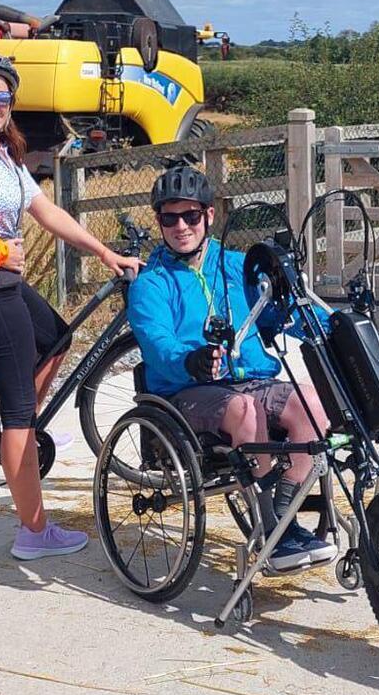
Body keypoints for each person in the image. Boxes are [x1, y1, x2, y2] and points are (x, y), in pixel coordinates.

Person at [0, 53, 142, 560]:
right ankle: (33, 531)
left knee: (56, 338)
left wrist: (104, 252)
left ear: (12, 102)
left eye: (0, 97)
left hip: (5, 283)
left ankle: (20, 428)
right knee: (17, 414)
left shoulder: (4, 155)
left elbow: (47, 212)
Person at [125, 167, 336, 572]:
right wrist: (191, 358)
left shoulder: (239, 267)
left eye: (190, 216)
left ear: (208, 216)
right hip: (186, 392)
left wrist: (336, 324)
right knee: (243, 410)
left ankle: (284, 521)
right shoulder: (150, 284)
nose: (181, 227)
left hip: (253, 378)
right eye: (169, 218)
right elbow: (158, 343)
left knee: (311, 402)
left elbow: (286, 312)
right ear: (159, 222)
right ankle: (271, 527)